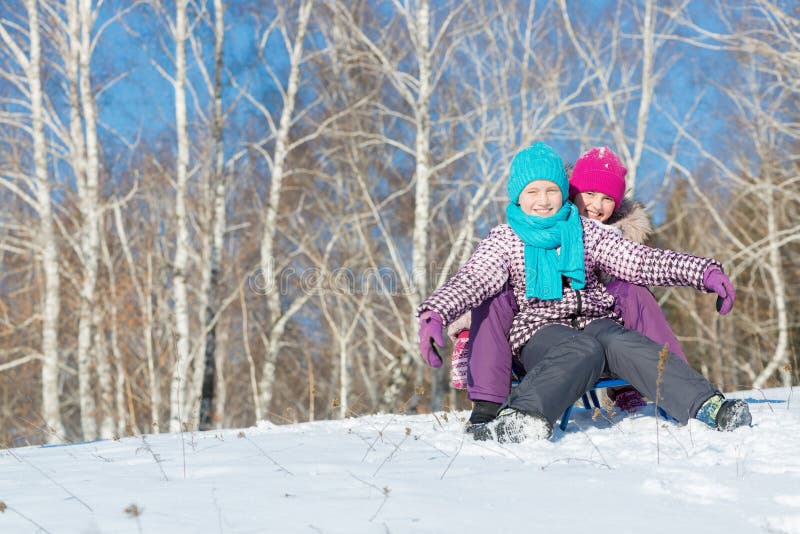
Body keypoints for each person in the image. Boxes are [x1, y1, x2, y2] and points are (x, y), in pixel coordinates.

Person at [417, 142, 751, 443]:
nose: (543, 200)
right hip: (540, 332)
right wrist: (436, 313)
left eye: (551, 190)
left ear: (563, 192)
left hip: (596, 320)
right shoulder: (504, 239)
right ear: (518, 196)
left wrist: (702, 272)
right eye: (533, 192)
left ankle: (707, 406)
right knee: (582, 348)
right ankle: (522, 417)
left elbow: (638, 261)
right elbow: (475, 278)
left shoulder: (586, 231)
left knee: (620, 339)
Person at [449, 147, 688, 431]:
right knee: (500, 294)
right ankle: (482, 373)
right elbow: (482, 274)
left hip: (604, 322)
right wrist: (461, 322)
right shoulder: (540, 229)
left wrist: (701, 272)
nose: (596, 206)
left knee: (632, 290)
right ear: (570, 194)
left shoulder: (620, 234)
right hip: (545, 327)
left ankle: (671, 382)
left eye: (607, 198)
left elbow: (641, 265)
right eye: (589, 195)